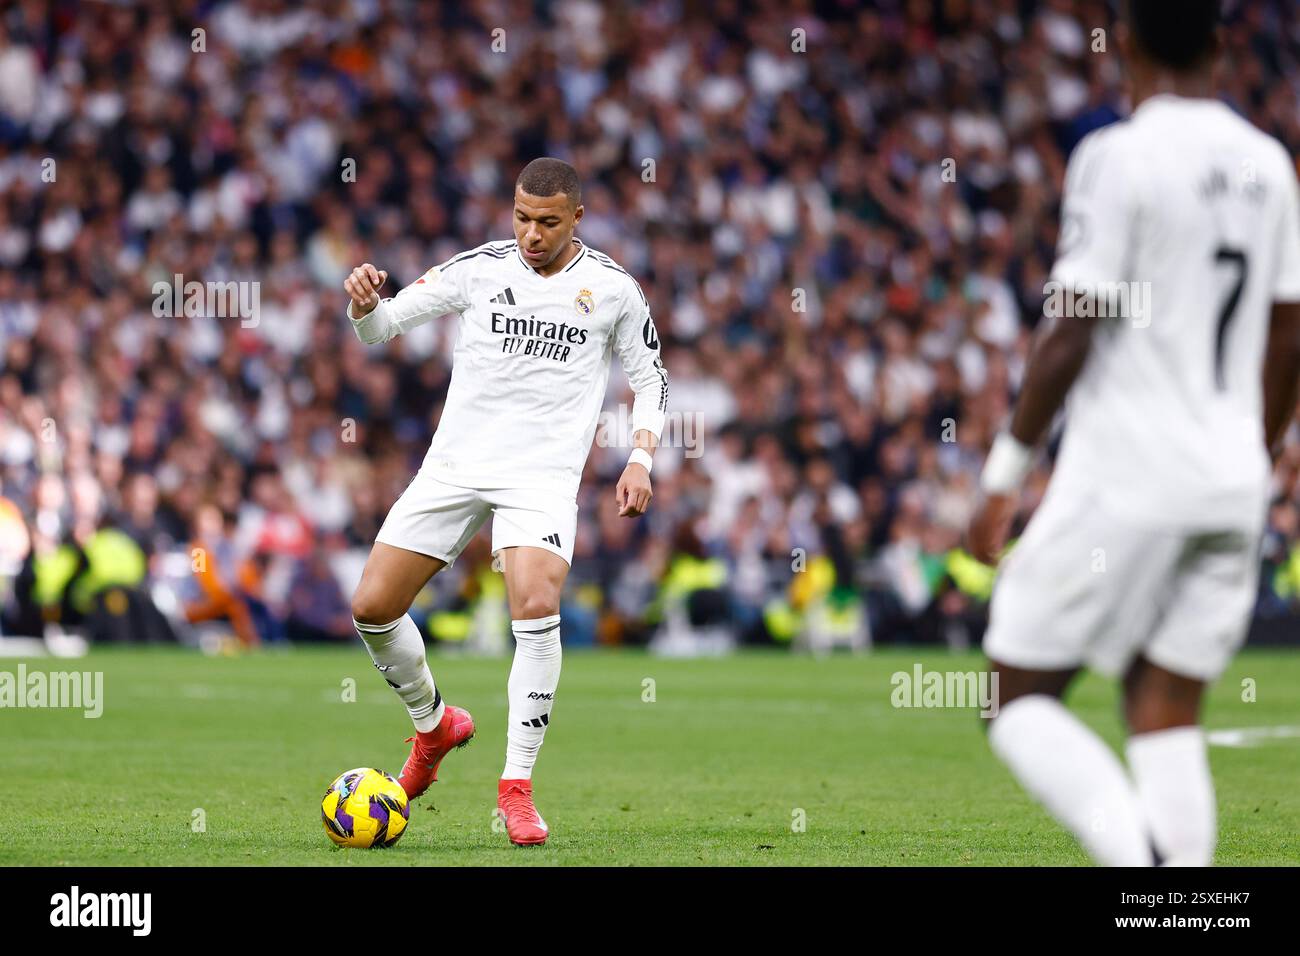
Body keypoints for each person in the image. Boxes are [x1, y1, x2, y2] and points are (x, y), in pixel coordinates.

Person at [968, 0, 1300, 866]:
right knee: (1164, 706)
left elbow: (1073, 323)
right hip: (1232, 478)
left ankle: (1141, 871)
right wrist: (1254, 451)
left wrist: (1005, 475)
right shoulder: (1269, 163)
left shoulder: (1117, 156)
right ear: (1222, 47)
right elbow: (1293, 330)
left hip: (1132, 473)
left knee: (1013, 696)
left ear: (1128, 48)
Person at [343, 157, 668, 846]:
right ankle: (433, 730)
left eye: (547, 222)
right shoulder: (479, 268)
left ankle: (516, 788)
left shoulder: (612, 289)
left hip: (541, 479)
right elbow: (381, 329)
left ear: (577, 218)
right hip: (456, 466)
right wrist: (365, 305)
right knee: (372, 608)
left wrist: (639, 458)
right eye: (521, 218)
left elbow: (652, 381)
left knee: (535, 602)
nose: (531, 234)